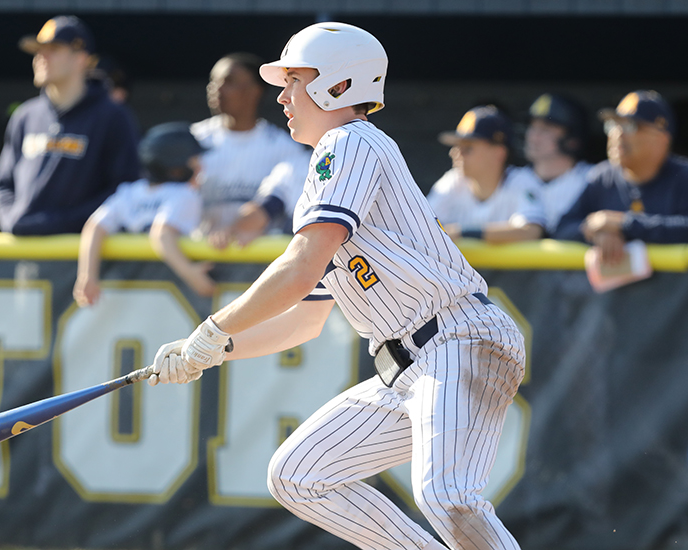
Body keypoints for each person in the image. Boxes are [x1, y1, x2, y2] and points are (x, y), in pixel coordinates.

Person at [147, 22, 526, 550]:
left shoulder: (347, 142)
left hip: (458, 339)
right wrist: (211, 350)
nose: (282, 95)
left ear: (340, 87)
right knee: (299, 475)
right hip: (411, 366)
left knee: (446, 495)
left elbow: (300, 267)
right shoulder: (329, 168)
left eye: (295, 81)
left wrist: (213, 327)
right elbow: (305, 319)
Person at [0, 15, 140, 235]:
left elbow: (125, 191)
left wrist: (56, 224)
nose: (41, 58)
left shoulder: (113, 116)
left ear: (81, 58)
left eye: (53, 49)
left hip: (82, 254)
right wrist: (13, 220)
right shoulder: (25, 116)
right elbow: (1, 185)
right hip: (24, 254)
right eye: (38, 51)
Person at [555, 90, 688, 264]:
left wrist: (624, 224)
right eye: (613, 125)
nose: (617, 135)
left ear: (662, 137)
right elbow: (563, 228)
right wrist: (596, 233)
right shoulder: (602, 177)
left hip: (677, 289)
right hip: (616, 290)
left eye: (630, 126)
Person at [74, 123, 212, 305]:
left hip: (126, 290)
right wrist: (190, 273)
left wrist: (87, 276)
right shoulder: (184, 194)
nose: (200, 167)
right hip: (172, 287)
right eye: (194, 160)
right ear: (176, 168)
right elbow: (161, 234)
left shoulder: (129, 192)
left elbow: (94, 227)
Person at [190, 52, 310, 246]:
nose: (217, 89)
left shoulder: (285, 147)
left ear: (256, 90)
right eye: (213, 82)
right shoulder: (193, 139)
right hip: (201, 256)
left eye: (229, 81)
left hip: (257, 262)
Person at [428, 105, 546, 243]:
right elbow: (420, 224)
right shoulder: (453, 181)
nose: (455, 153)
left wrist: (463, 233)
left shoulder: (521, 181)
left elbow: (531, 231)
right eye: (456, 146)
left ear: (498, 153)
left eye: (467, 148)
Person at [523, 93, 594, 234]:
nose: (533, 136)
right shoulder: (511, 178)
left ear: (572, 139)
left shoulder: (594, 179)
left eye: (545, 130)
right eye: (533, 127)